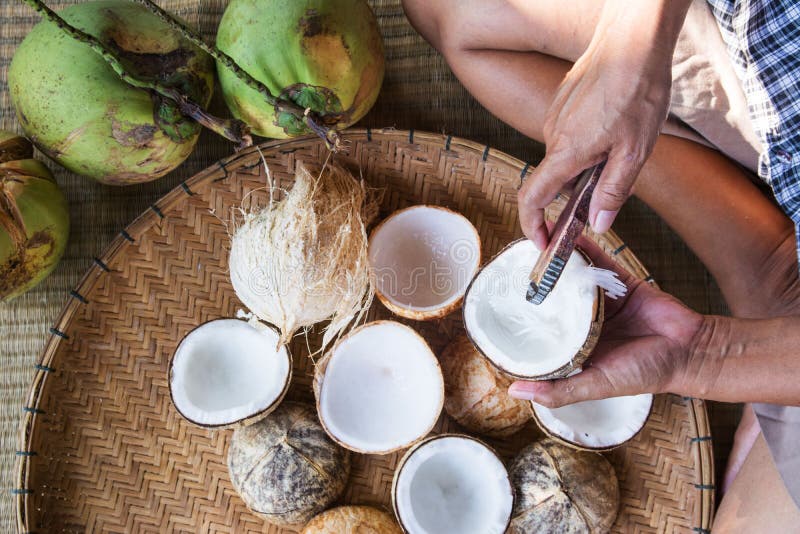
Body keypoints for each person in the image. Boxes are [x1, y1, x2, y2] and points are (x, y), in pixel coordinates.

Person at [402, 0, 800, 531]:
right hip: (780, 79)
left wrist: (707, 356)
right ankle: (765, 266)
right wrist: (633, 42)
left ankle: (770, 273)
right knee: (453, 13)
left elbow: (707, 357)